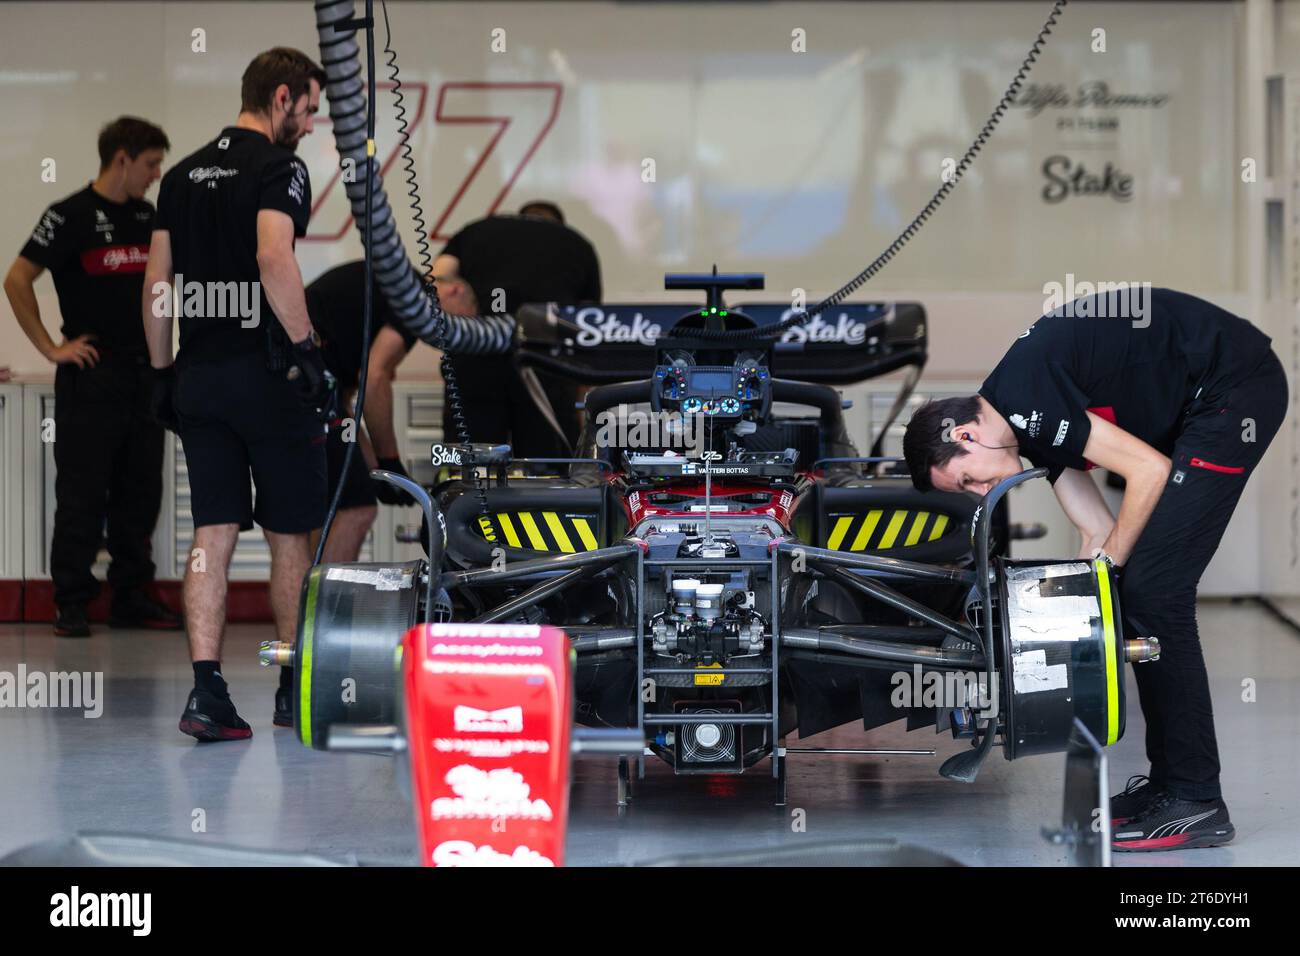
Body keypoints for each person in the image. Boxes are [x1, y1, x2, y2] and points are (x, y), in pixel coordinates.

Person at [902, 288, 1288, 852]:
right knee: (1139, 590)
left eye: (970, 480)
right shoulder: (1023, 419)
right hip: (1203, 399)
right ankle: (1169, 786)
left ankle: (1195, 798)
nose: (987, 492)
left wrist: (1111, 565)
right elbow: (1096, 534)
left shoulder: (1028, 399)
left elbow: (1149, 473)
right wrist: (1093, 578)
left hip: (1235, 388)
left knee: (1157, 592)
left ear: (965, 435)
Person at [143, 48, 329, 741]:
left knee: (212, 534)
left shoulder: (185, 174)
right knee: (289, 536)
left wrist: (164, 372)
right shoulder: (279, 167)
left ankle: (206, 693)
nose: (310, 127)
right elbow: (273, 257)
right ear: (282, 97)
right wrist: (307, 350)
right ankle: (289, 687)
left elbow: (157, 282)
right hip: (267, 378)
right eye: (309, 110)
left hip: (200, 378)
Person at [4, 116, 180, 637]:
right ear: (121, 159)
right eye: (150, 164)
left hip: (146, 375)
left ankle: (130, 598)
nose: (154, 174)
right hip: (92, 374)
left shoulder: (152, 217)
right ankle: (72, 602)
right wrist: (51, 347)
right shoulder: (68, 215)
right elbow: (16, 280)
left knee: (141, 490)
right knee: (82, 491)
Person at [434, 201, 601, 456]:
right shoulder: (578, 244)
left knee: (473, 463)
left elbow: (437, 280)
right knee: (547, 466)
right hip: (544, 364)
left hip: (476, 351)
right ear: (559, 225)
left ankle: (465, 491)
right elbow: (587, 330)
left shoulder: (475, 230)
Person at [304, 259, 422, 562]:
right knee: (355, 508)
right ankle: (329, 610)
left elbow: (345, 413)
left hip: (291, 378)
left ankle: (310, 608)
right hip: (304, 382)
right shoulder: (417, 297)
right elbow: (374, 377)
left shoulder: (381, 289)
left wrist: (380, 473)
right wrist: (391, 461)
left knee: (330, 507)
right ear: (457, 290)